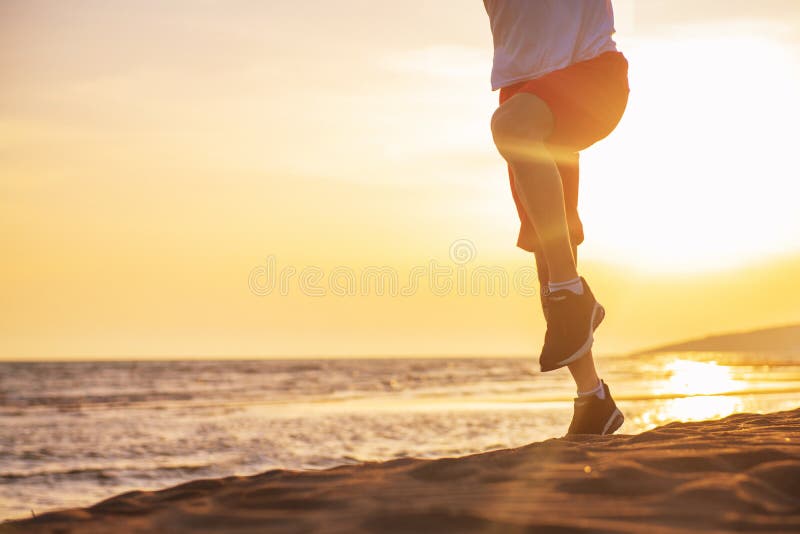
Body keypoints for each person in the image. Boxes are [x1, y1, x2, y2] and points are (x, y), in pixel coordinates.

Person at [483, 0, 629, 434]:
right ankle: (594, 399)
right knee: (549, 245)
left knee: (509, 127)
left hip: (591, 75)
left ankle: (571, 293)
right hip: (524, 91)